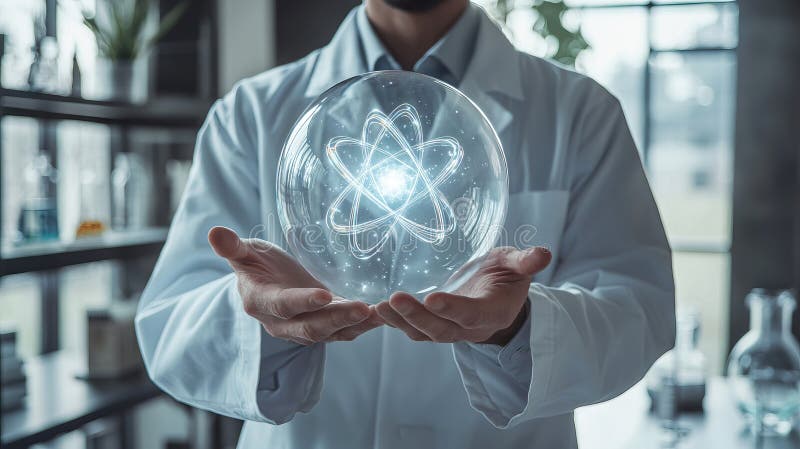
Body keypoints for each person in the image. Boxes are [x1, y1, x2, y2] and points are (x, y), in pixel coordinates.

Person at [135, 0, 676, 447]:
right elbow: (169, 331)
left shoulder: (579, 113)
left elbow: (638, 313)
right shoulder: (250, 115)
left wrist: (517, 328)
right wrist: (261, 317)